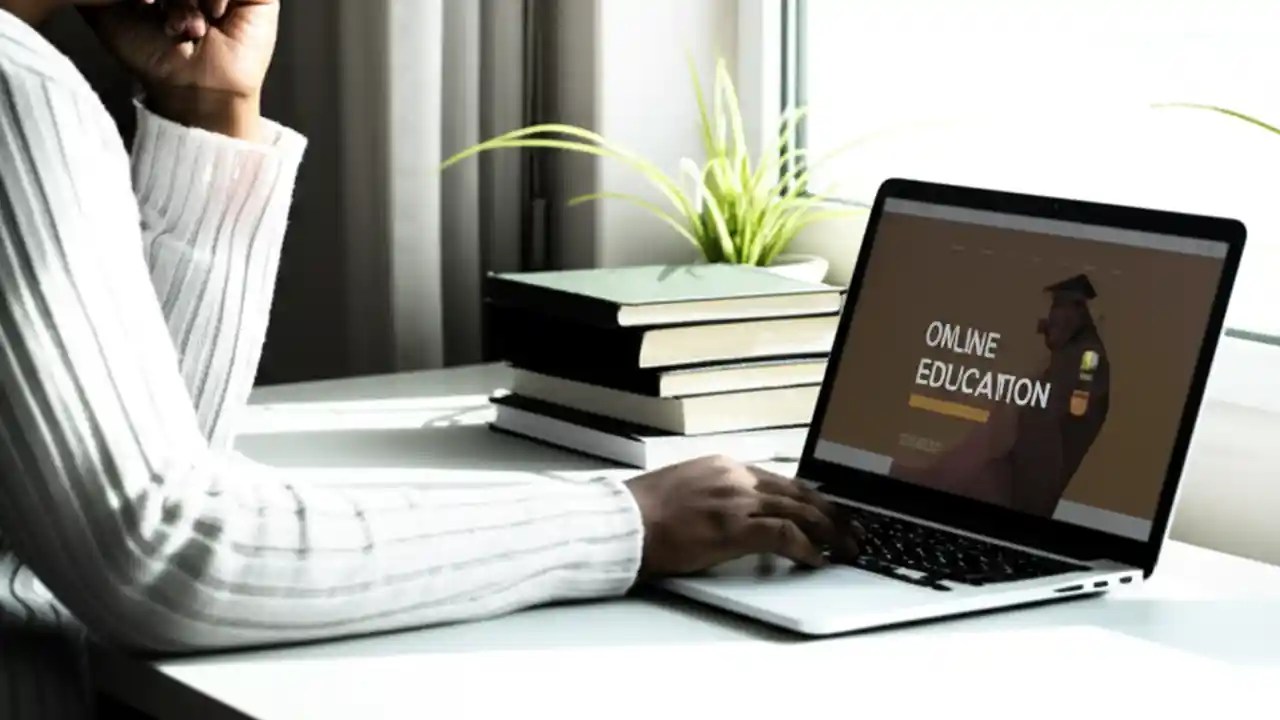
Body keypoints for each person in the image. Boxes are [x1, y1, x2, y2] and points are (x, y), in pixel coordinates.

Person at [0, 1, 862, 716]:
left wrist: (208, 112)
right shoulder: (16, 86)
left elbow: (129, 484)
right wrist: (626, 521)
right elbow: (165, 554)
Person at [889, 273, 1111, 516]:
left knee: (1002, 424)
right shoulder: (1073, 349)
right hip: (1025, 456)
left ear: (1078, 309)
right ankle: (936, 478)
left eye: (1058, 306)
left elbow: (1072, 407)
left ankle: (935, 479)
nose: (1050, 316)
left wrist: (1022, 399)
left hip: (1038, 467)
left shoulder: (1088, 355)